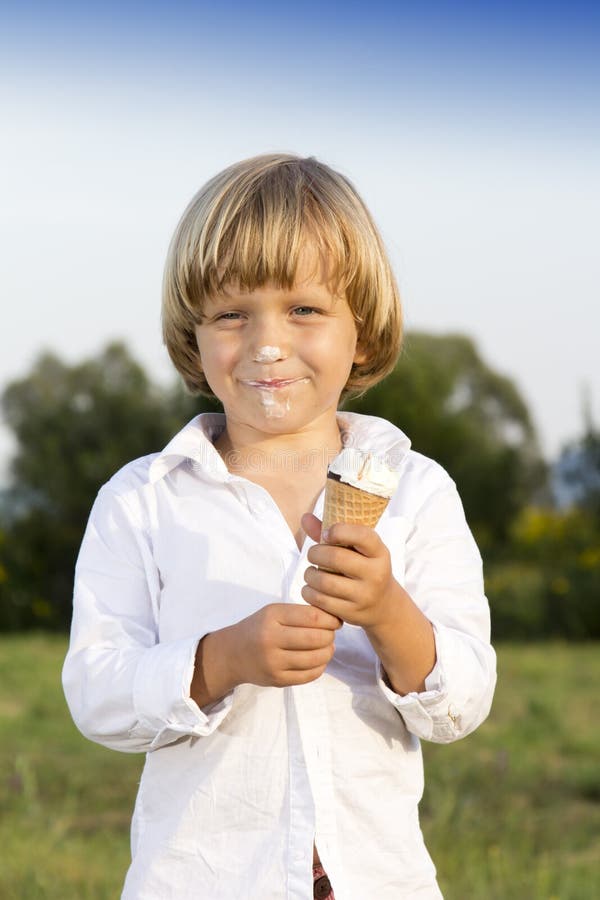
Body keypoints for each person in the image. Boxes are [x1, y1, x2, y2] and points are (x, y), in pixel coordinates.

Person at [62, 153, 496, 900]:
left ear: (361, 331)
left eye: (303, 308)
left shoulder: (418, 491)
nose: (267, 342)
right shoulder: (142, 500)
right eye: (232, 314)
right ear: (193, 338)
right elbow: (97, 692)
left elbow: (462, 703)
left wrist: (390, 611)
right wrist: (218, 661)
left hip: (375, 880)